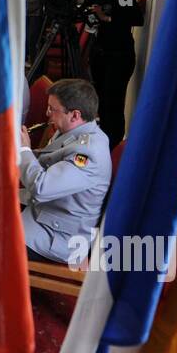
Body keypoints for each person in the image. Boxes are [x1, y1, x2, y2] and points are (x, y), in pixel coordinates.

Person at [18, 78, 111, 264]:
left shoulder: (89, 153)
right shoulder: (74, 131)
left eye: (52, 109)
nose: (47, 113)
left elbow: (41, 187)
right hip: (46, 213)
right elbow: (49, 158)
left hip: (58, 237)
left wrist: (24, 151)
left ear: (75, 115)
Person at [83, 0, 138, 146]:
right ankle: (100, 139)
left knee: (112, 102)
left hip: (119, 55)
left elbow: (134, 19)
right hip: (100, 53)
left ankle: (113, 144)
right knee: (101, 100)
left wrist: (104, 17)